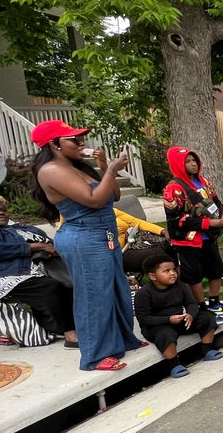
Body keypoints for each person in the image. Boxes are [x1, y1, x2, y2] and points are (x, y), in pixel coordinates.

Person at [29, 119, 143, 371]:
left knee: (116, 288)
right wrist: (111, 171)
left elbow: (114, 196)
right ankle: (95, 356)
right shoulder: (50, 170)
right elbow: (93, 200)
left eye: (81, 138)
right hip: (83, 238)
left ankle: (123, 340)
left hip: (103, 235)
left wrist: (104, 167)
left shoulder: (76, 166)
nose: (81, 143)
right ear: (54, 144)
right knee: (94, 294)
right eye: (74, 139)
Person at [0, 189, 79, 348]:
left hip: (30, 269)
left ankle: (64, 325)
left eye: (2, 209)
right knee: (49, 288)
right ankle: (70, 334)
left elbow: (47, 241)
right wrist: (36, 247)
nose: (0, 212)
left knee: (72, 282)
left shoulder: (14, 228)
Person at [163, 147, 223, 317]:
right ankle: (201, 308)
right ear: (177, 165)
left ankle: (215, 303)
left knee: (216, 269)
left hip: (209, 238)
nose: (193, 164)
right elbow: (177, 220)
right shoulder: (173, 189)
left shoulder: (205, 182)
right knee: (193, 275)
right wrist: (209, 223)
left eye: (194, 160)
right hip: (187, 241)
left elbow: (216, 202)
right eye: (187, 161)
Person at [134, 253, 223, 378]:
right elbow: (144, 319)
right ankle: (174, 365)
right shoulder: (143, 294)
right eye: (166, 271)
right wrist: (168, 319)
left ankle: (207, 350)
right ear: (152, 276)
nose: (173, 273)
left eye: (173, 269)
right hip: (157, 325)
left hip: (179, 320)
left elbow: (191, 303)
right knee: (165, 334)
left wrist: (190, 314)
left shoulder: (180, 285)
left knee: (207, 317)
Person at [115, 206, 167, 277]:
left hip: (130, 246)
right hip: (116, 256)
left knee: (168, 244)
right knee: (156, 254)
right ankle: (164, 280)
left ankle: (178, 279)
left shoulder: (113, 211)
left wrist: (162, 231)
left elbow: (136, 222)